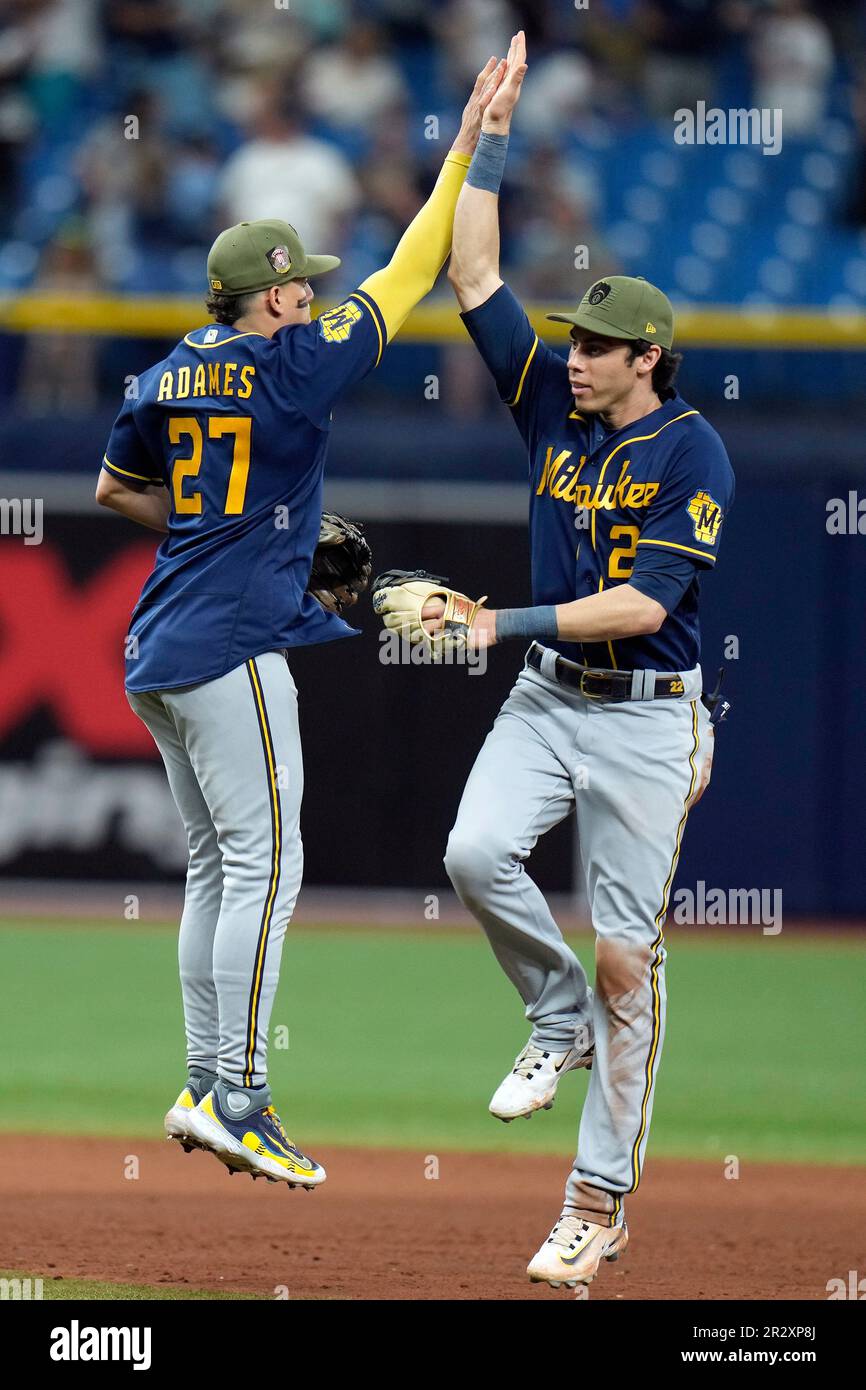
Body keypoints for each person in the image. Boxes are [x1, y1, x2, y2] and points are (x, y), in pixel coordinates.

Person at [94, 55, 506, 1189]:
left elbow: (110, 493)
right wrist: (469, 141)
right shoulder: (295, 363)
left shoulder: (164, 375)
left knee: (214, 869)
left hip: (156, 644)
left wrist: (222, 514)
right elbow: (418, 260)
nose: (317, 295)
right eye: (304, 284)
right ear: (273, 297)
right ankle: (241, 1095)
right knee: (267, 867)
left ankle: (197, 1081)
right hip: (233, 641)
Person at [442, 32, 735, 1287]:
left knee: (631, 962)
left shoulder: (690, 454)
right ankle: (545, 1013)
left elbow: (633, 607)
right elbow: (469, 269)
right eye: (572, 338)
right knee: (470, 851)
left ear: (646, 359)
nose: (573, 353)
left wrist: (492, 623)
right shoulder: (550, 405)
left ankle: (598, 1203)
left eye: (598, 345)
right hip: (546, 702)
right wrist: (482, 134)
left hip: (642, 716)